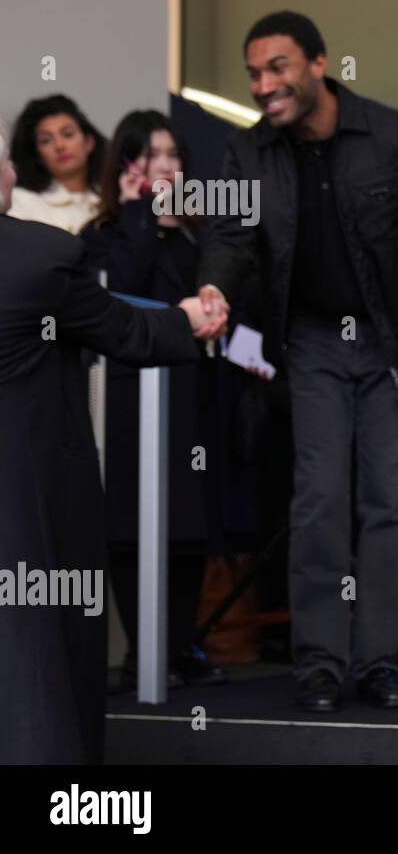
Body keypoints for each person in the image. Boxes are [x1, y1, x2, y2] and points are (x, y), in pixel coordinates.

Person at [192, 11, 398, 711]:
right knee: (318, 505)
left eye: (277, 68)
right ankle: (319, 664)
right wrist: (214, 286)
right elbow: (231, 236)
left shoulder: (389, 133)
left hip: (391, 347)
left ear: (317, 64)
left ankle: (376, 662)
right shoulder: (249, 154)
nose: (263, 85)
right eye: (253, 73)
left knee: (391, 507)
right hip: (309, 343)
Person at [0, 114, 210, 763]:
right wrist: (191, 319)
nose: (13, 170)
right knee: (35, 652)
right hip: (29, 494)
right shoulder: (41, 257)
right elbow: (130, 334)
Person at [81, 110, 228, 687]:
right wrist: (143, 215)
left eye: (172, 155)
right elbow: (118, 299)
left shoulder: (200, 232)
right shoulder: (103, 234)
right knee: (128, 525)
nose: (164, 166)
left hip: (191, 397)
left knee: (188, 523)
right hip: (125, 401)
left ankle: (174, 649)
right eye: (150, 156)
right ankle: (142, 654)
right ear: (125, 165)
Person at [8, 94, 105, 233]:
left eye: (68, 134)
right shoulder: (21, 201)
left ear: (89, 142)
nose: (59, 146)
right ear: (37, 155)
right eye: (46, 140)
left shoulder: (114, 197)